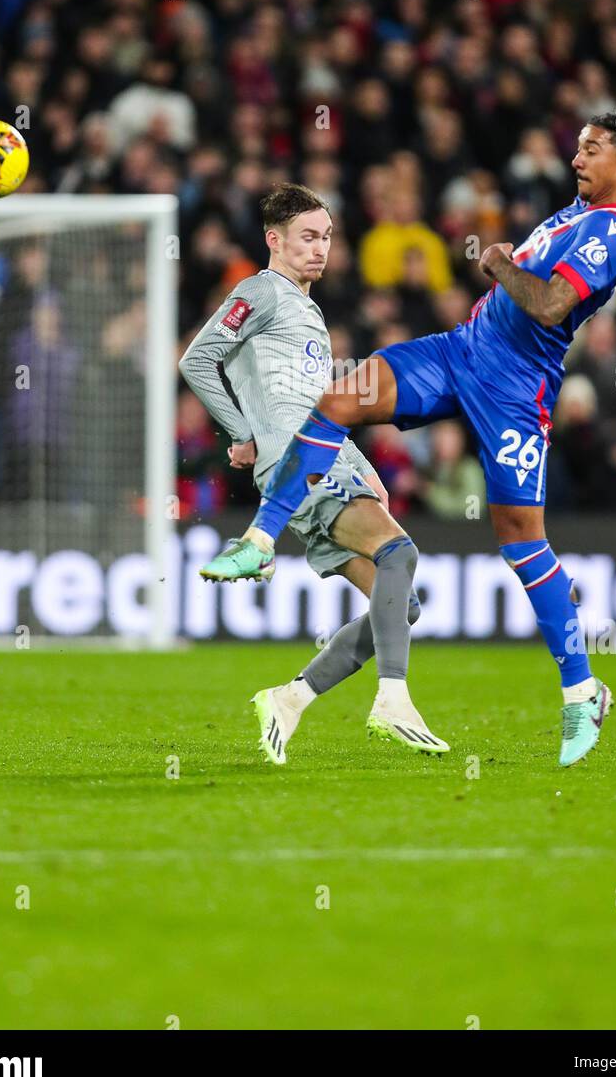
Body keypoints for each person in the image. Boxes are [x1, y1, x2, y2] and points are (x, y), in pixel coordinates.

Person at [201, 116, 616, 767]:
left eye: (590, 149)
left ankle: (581, 690)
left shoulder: (612, 231)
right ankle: (259, 541)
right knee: (338, 399)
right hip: (458, 353)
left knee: (521, 540)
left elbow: (547, 306)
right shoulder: (598, 215)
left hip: (515, 392)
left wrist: (498, 264)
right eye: (574, 147)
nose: (575, 158)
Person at [179, 183, 448, 764]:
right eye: (308, 237)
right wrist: (242, 432)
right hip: (299, 469)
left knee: (399, 604)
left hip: (330, 461)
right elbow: (197, 359)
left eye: (326, 237)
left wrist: (363, 465)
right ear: (274, 241)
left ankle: (289, 699)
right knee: (398, 556)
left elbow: (319, 407)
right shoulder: (261, 291)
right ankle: (393, 702)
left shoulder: (307, 308)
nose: (321, 248)